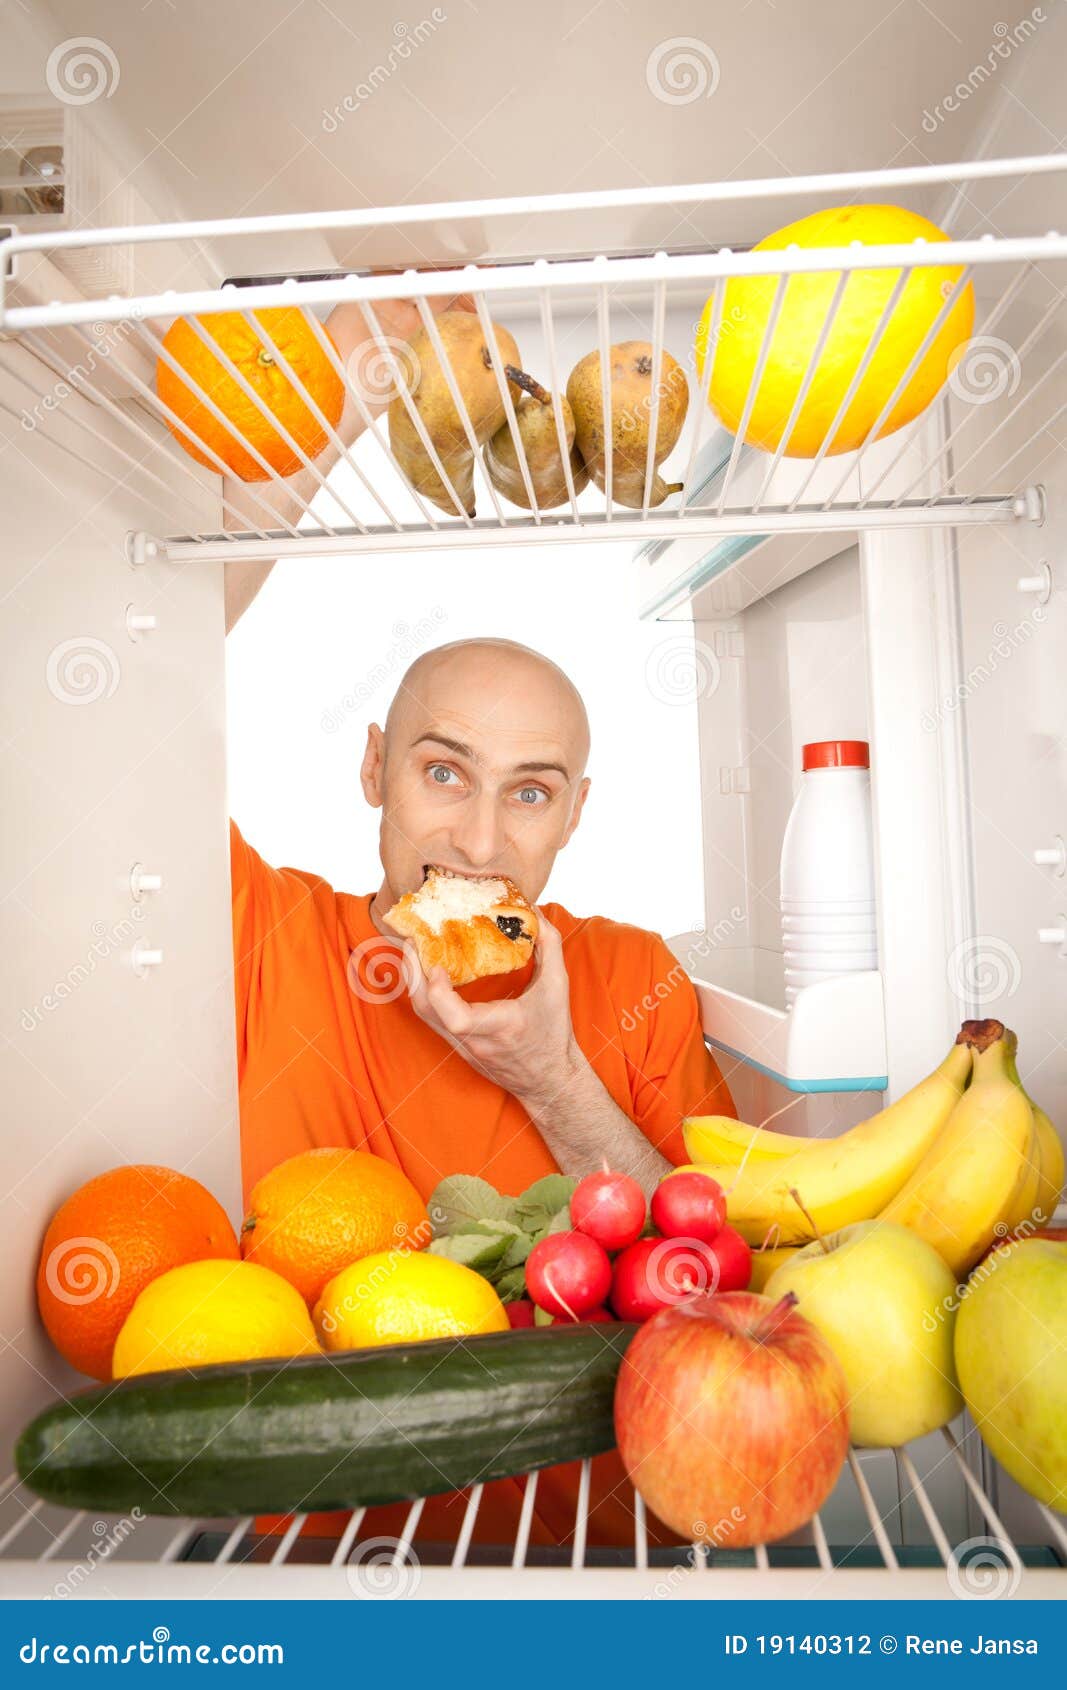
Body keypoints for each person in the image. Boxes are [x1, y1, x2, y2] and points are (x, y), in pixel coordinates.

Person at [223, 294, 734, 1555]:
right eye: (443, 772)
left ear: (574, 815)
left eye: (530, 793)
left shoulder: (633, 976)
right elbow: (114, 665)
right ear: (372, 769)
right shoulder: (262, 930)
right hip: (300, 1559)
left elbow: (714, 1287)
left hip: (592, 1551)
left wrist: (552, 1078)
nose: (478, 842)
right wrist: (354, 374)